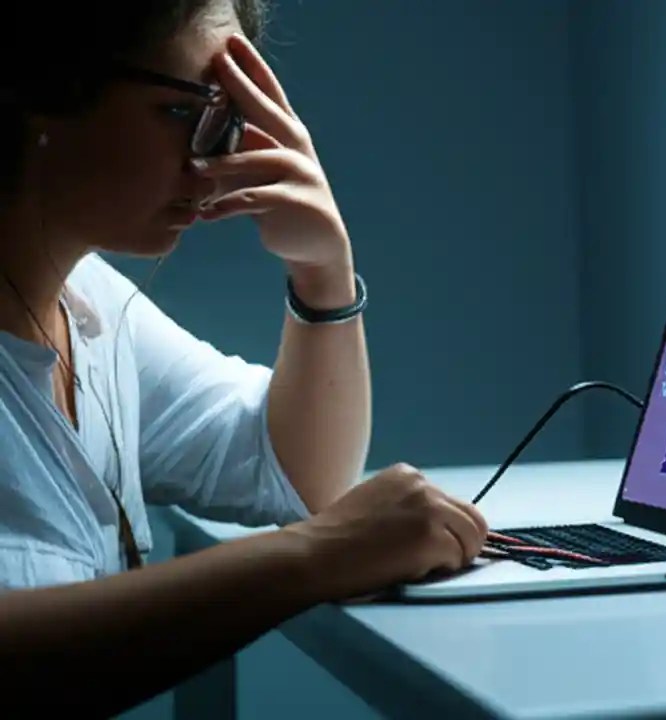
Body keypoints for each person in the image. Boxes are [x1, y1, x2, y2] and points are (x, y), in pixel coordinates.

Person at [0, 1, 489, 713]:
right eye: (193, 111)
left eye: (234, 120)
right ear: (47, 82)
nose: (224, 155)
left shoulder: (89, 306)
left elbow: (293, 472)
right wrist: (315, 557)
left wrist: (323, 269)